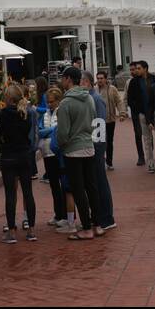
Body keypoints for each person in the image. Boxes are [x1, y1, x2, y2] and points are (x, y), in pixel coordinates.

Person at [56, 67, 103, 240]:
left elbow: (62, 132)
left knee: (78, 189)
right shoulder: (89, 98)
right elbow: (94, 121)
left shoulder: (66, 102)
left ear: (68, 79)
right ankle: (97, 224)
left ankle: (85, 227)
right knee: (91, 186)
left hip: (73, 150)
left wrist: (61, 145)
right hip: (89, 146)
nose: (62, 82)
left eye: (63, 78)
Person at [0, 83, 37, 243]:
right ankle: (31, 230)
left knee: (10, 194)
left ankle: (11, 231)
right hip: (24, 154)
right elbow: (29, 133)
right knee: (28, 192)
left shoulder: (3, 114)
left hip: (9, 155)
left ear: (9, 98)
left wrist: (3, 146)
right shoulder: (25, 113)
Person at [81, 72, 116, 231]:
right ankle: (101, 216)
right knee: (95, 182)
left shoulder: (95, 100)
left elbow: (100, 126)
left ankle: (107, 217)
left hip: (96, 147)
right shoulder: (90, 99)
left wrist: (98, 148)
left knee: (100, 181)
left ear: (86, 82)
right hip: (93, 146)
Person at [40, 87, 68, 227]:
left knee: (63, 185)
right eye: (47, 102)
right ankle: (58, 214)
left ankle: (65, 214)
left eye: (51, 102)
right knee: (54, 185)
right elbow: (41, 131)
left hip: (57, 153)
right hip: (46, 152)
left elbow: (55, 130)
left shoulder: (60, 112)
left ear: (58, 101)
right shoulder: (45, 113)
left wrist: (46, 131)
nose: (49, 104)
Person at [97, 70, 122, 169]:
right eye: (98, 78)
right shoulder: (94, 90)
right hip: (97, 121)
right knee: (99, 142)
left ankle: (109, 162)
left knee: (109, 141)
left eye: (101, 78)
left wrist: (122, 113)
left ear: (106, 79)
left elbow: (119, 101)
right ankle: (100, 161)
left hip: (110, 119)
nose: (99, 80)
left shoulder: (112, 89)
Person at [125, 63, 149, 167]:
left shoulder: (147, 80)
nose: (133, 71)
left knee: (148, 135)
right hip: (136, 113)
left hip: (147, 111)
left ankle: (149, 153)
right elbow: (127, 97)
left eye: (134, 69)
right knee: (138, 134)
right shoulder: (129, 82)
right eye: (131, 70)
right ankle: (141, 156)